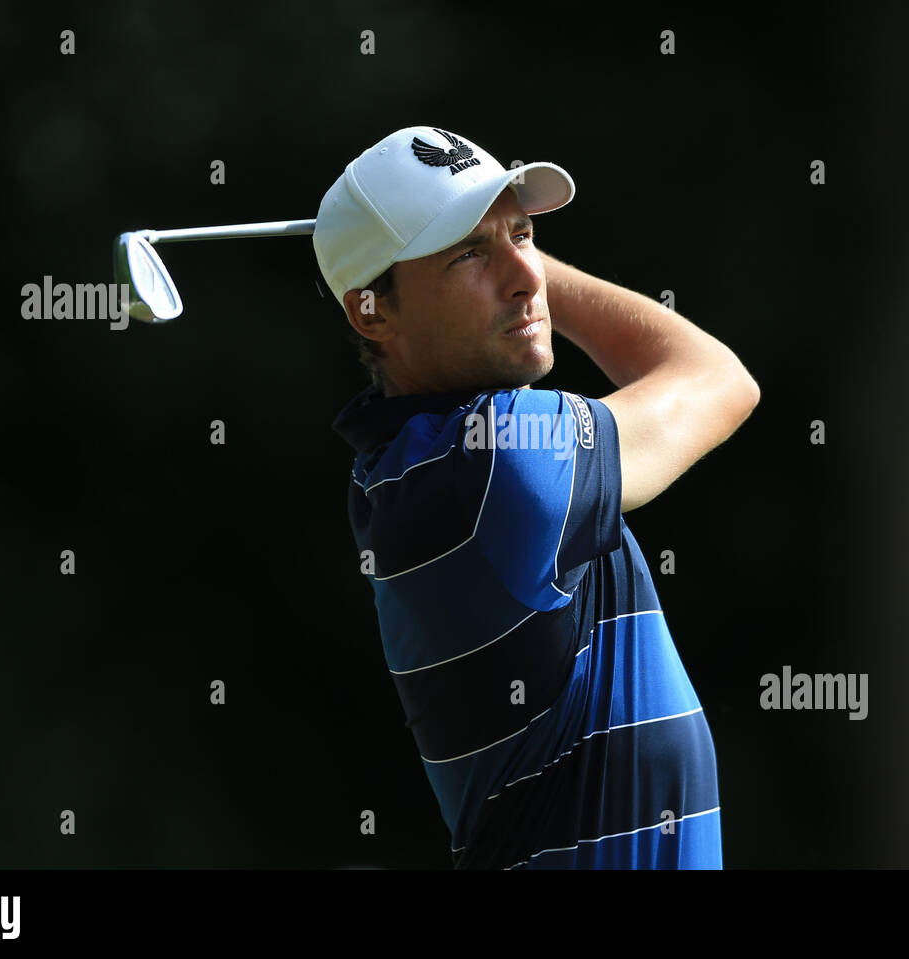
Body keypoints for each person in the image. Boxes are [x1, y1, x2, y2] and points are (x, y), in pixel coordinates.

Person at [315, 126, 759, 868]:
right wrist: (532, 257)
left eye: (525, 234)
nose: (526, 275)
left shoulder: (406, 470)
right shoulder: (502, 462)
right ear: (372, 313)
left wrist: (489, 242)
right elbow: (717, 378)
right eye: (468, 253)